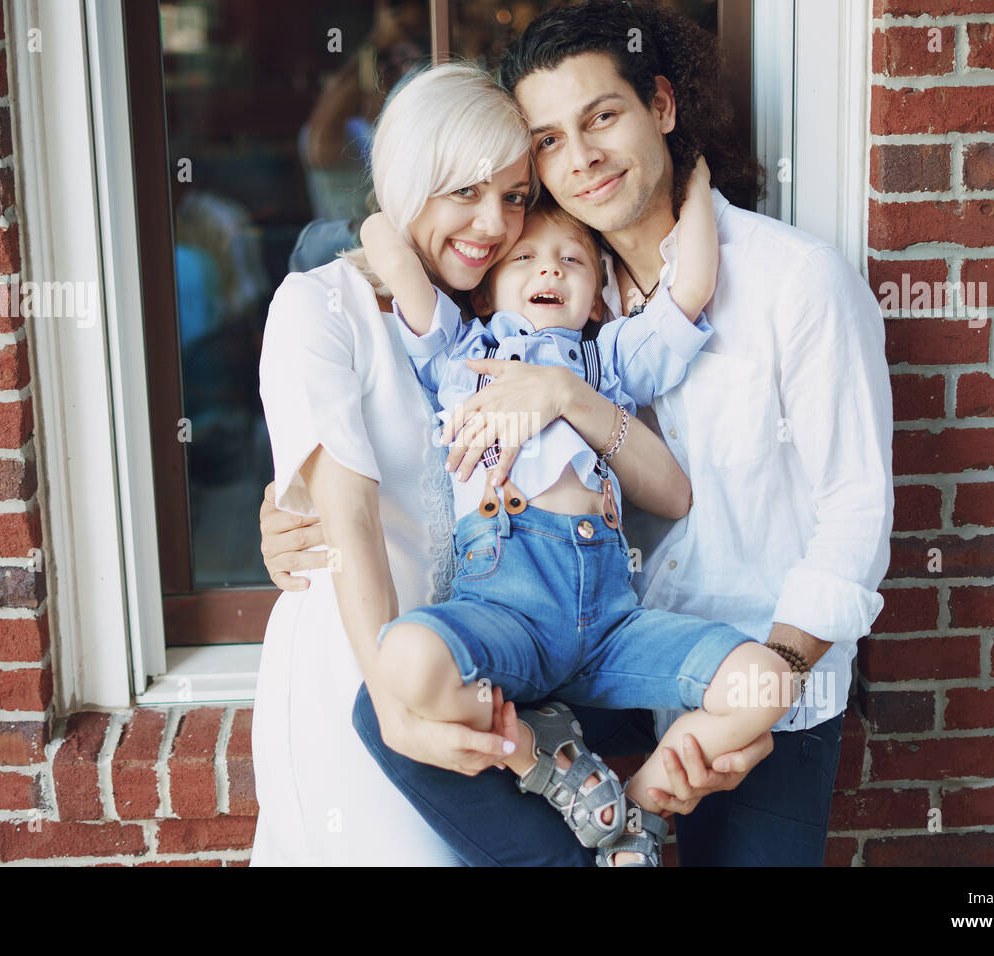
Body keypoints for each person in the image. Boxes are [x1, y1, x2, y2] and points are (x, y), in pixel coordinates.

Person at [259, 0, 893, 866]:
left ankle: (614, 806)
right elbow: (372, 283)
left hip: (741, 666)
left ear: (662, 109)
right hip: (575, 654)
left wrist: (775, 676)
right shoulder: (537, 301)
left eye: (603, 117)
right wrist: (296, 505)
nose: (581, 156)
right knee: (395, 701)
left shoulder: (797, 286)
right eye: (548, 140)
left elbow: (855, 519)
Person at [249, 58, 741, 866]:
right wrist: (390, 699)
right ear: (411, 181)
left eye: (514, 196)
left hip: (487, 664)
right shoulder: (322, 306)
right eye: (464, 192)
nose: (493, 224)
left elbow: (636, 473)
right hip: (363, 665)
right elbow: (350, 520)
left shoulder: (506, 328)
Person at [360, 172, 797, 865]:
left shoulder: (607, 362)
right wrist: (423, 209)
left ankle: (641, 805)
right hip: (503, 611)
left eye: (572, 260)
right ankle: (546, 755)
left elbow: (689, 292)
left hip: (613, 624)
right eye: (525, 259)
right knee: (405, 662)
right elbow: (384, 241)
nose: (549, 269)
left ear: (597, 297)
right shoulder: (459, 353)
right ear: (484, 287)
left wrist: (696, 189)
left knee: (770, 681)